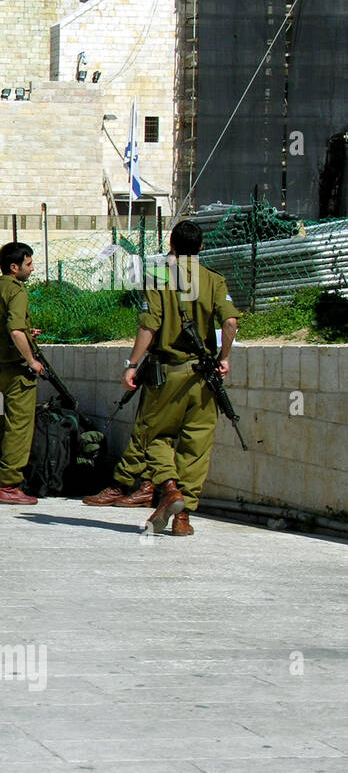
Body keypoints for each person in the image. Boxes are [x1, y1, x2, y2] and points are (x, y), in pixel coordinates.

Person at [118, 219, 240, 536]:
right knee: (196, 446)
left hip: (167, 375)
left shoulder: (159, 277)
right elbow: (230, 322)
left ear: (171, 245)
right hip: (204, 377)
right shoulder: (213, 279)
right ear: (201, 247)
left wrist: (132, 364)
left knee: (153, 435)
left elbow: (150, 325)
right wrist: (224, 357)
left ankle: (169, 487)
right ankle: (183, 517)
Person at [0, 242, 44, 505]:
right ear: (14, 268)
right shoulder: (16, 291)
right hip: (16, 370)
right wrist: (32, 360)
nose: (32, 268)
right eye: (28, 264)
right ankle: (10, 486)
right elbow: (15, 330)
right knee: (18, 426)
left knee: (0, 424)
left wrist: (26, 332)